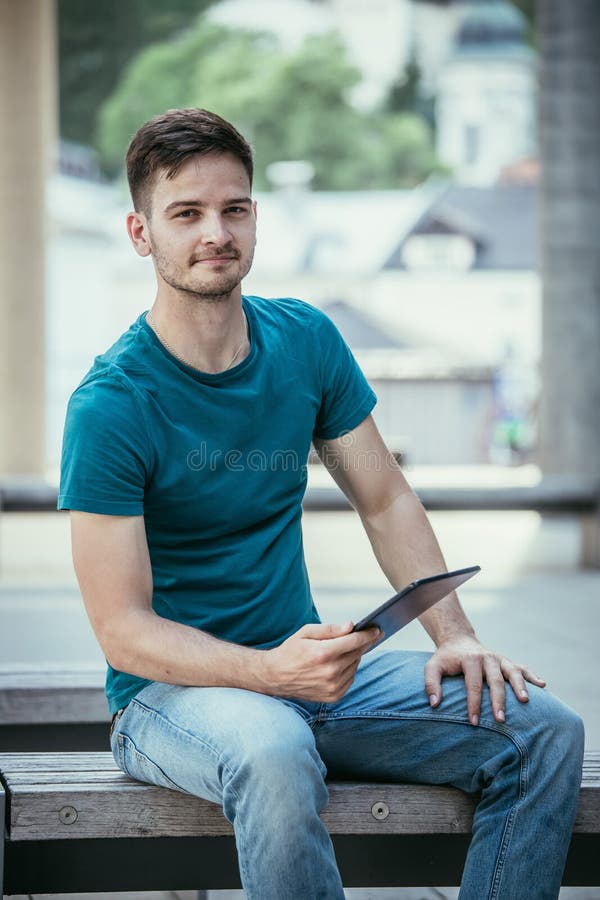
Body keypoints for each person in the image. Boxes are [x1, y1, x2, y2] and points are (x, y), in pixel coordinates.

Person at [59, 108, 583, 900]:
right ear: (141, 233)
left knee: (543, 730)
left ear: (256, 218)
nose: (216, 232)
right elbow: (123, 631)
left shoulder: (304, 341)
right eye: (187, 213)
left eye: (234, 208)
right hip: (172, 702)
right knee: (272, 748)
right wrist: (271, 673)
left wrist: (455, 633)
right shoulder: (111, 405)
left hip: (309, 674)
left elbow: (384, 496)